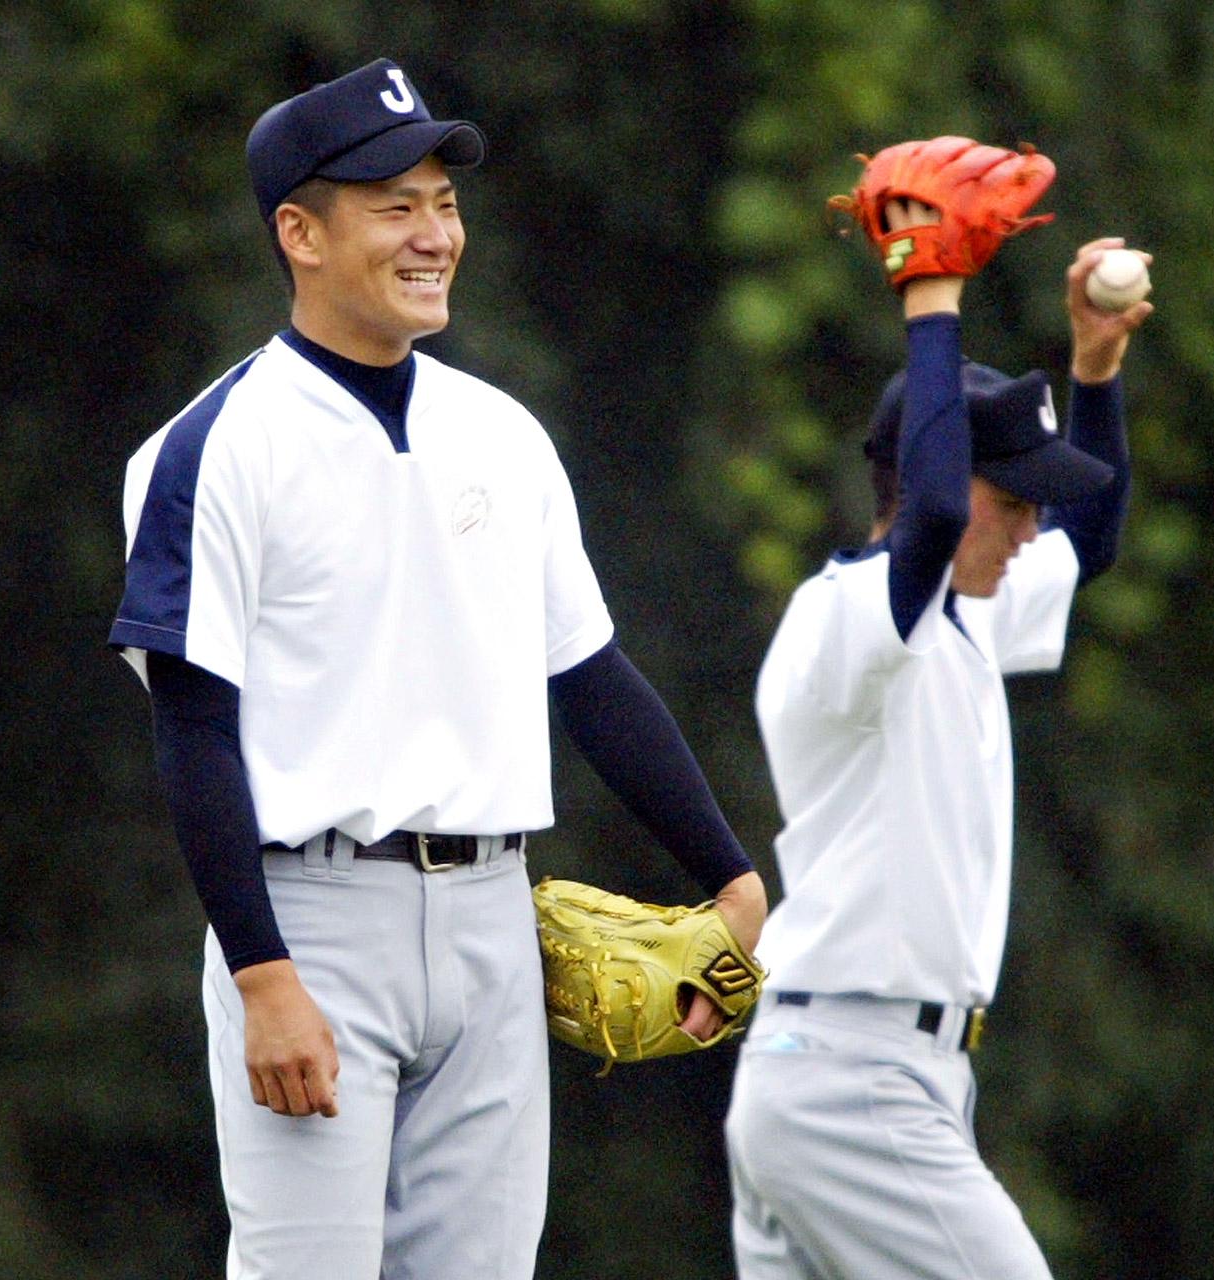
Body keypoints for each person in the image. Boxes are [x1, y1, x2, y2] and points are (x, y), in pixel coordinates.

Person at [107, 57, 767, 1280]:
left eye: (442, 201)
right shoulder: (212, 449)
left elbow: (591, 677)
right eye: (393, 205)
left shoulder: (501, 433)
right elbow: (192, 731)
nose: (433, 234)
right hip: (310, 920)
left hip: (490, 919)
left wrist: (725, 870)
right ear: (298, 232)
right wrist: (261, 975)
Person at [723, 191, 1152, 1280]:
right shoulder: (853, 615)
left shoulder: (960, 616)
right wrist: (930, 295)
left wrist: (1092, 367)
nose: (1025, 527)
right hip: (851, 1077)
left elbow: (1089, 541)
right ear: (943, 483)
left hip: (859, 1074)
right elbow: (926, 524)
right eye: (1008, 501)